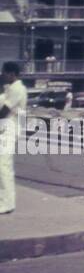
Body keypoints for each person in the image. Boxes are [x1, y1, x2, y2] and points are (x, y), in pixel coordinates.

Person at [0, 61, 28, 215]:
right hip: (5, 129)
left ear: (11, 73)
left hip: (8, 129)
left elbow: (4, 111)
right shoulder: (10, 88)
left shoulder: (18, 89)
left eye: (4, 72)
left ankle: (7, 203)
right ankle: (4, 200)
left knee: (4, 167)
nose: (2, 75)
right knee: (3, 167)